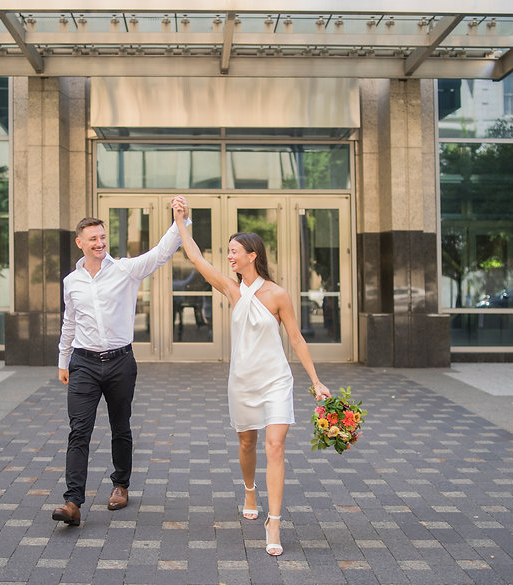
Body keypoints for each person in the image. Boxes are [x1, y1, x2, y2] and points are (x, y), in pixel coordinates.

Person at [171, 196, 330, 556]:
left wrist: (316, 381)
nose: (229, 256)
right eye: (228, 252)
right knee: (247, 443)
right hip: (242, 381)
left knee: (275, 446)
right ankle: (249, 489)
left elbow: (296, 338)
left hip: (276, 380)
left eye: (234, 251)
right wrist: (181, 220)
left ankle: (274, 522)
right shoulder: (232, 289)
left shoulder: (277, 294)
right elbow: (195, 256)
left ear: (251, 255)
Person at [52, 204, 190, 527]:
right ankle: (73, 502)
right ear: (80, 243)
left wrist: (179, 221)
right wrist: (63, 360)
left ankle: (121, 485)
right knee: (78, 431)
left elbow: (160, 254)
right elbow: (69, 323)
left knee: (120, 426)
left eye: (102, 237)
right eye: (93, 239)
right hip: (83, 363)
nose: (100, 243)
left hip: (120, 362)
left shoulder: (125, 270)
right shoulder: (71, 282)